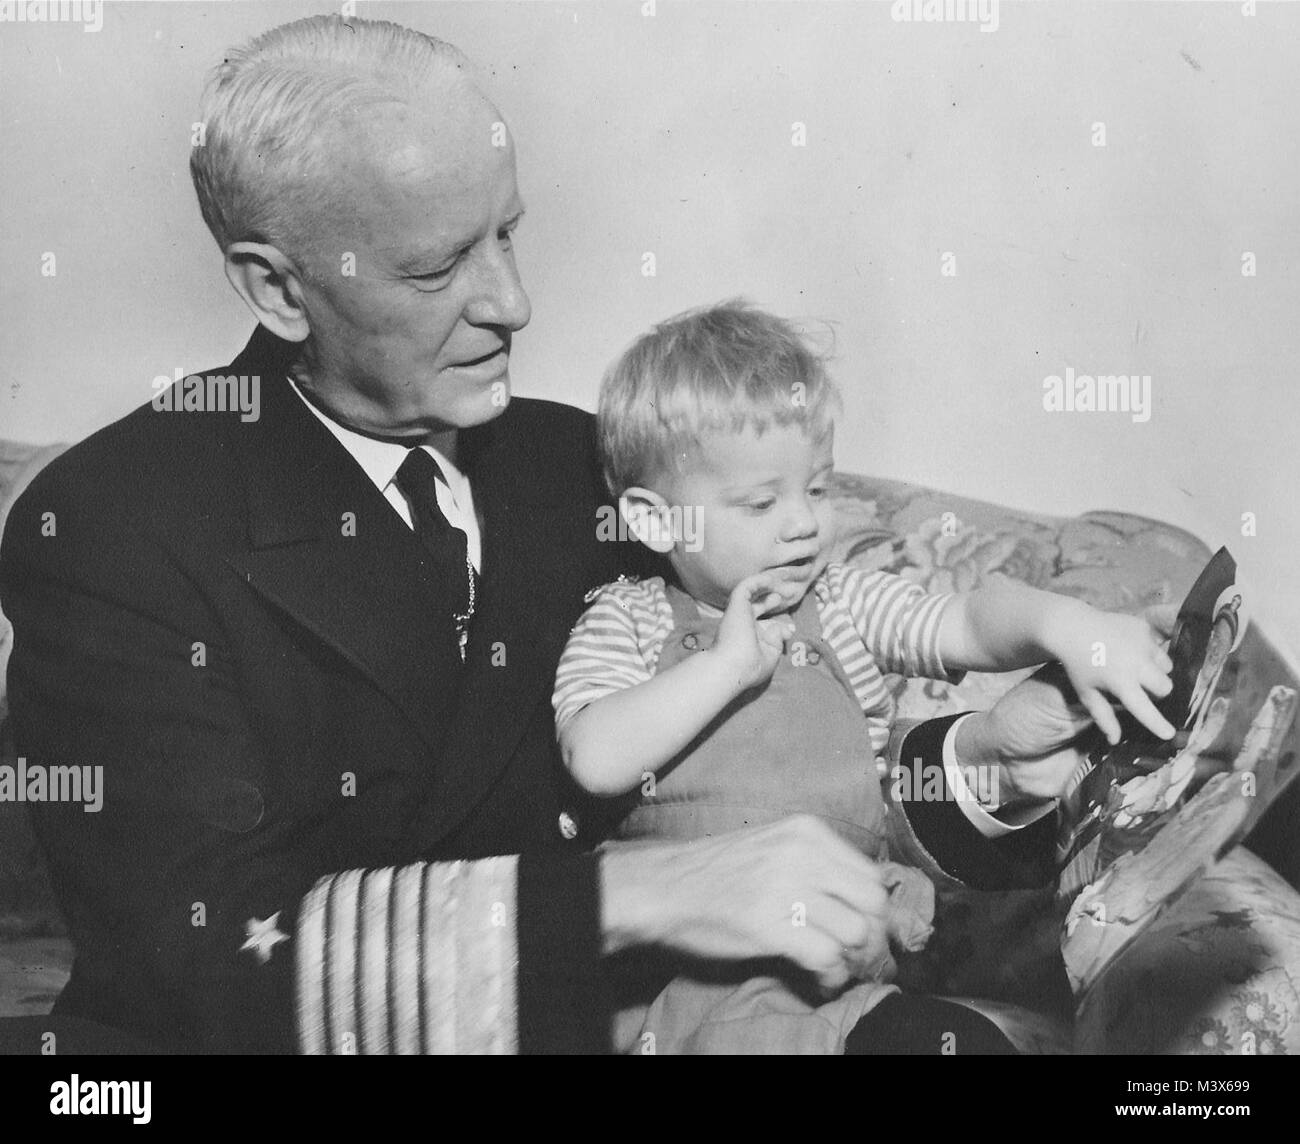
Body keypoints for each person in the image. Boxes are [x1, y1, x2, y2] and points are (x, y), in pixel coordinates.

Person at [0, 15, 1138, 1055]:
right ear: (279, 290)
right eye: (440, 266)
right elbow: (206, 953)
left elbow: (768, 743)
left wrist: (988, 766)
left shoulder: (573, 461)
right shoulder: (108, 525)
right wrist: (644, 895)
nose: (512, 302)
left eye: (506, 233)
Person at [554, 301, 1176, 1053]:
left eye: (817, 489)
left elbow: (967, 621)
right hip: (686, 1003)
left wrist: (1067, 625)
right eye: (761, 502)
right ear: (657, 523)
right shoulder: (629, 617)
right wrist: (725, 667)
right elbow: (595, 757)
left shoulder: (841, 601)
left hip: (840, 991)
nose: (804, 524)